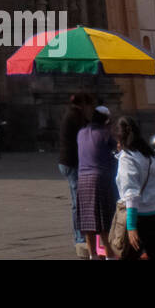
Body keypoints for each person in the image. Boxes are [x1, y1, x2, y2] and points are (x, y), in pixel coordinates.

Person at [114, 116, 155, 261]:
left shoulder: (127, 157)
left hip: (138, 218)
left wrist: (131, 227)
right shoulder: (149, 155)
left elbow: (131, 193)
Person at [76, 104, 116, 260]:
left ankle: (92, 255)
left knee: (88, 222)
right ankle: (109, 256)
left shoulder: (80, 133)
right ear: (106, 121)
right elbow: (116, 149)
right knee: (104, 222)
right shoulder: (105, 134)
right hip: (100, 178)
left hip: (83, 178)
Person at [58, 92, 90, 257]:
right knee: (77, 201)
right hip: (71, 162)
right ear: (83, 103)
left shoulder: (72, 114)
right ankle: (79, 237)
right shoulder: (75, 117)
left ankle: (82, 235)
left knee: (78, 199)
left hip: (67, 161)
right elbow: (85, 135)